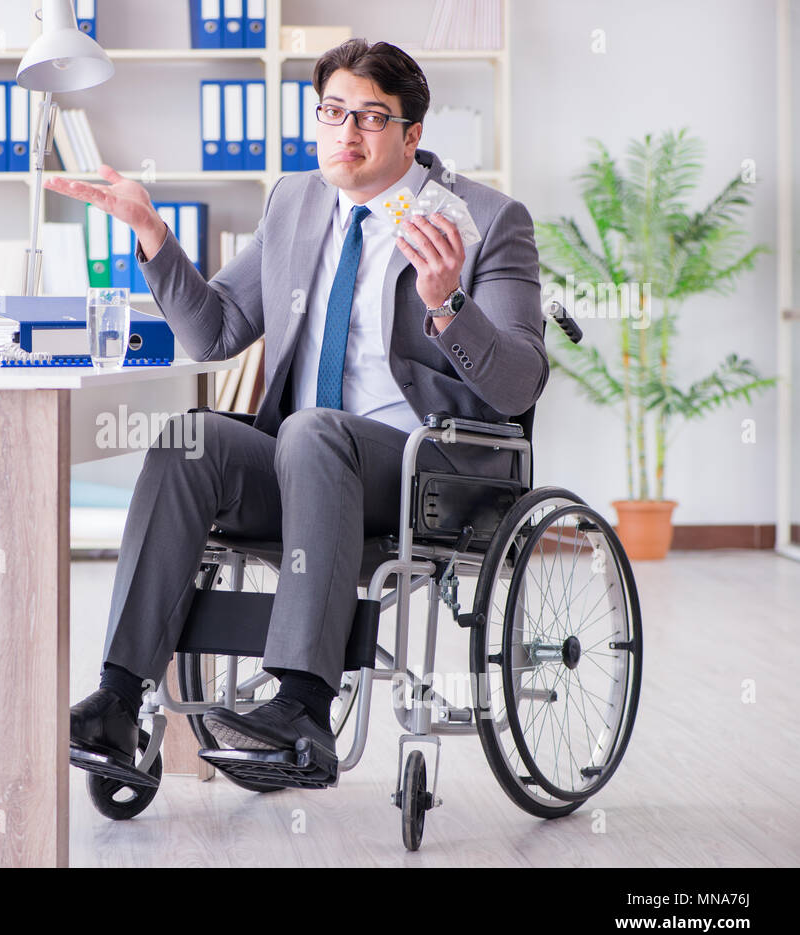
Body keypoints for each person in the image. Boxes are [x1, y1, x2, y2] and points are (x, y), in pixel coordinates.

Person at [47, 38, 547, 785]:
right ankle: (120, 700)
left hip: (422, 468)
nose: (347, 132)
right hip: (302, 461)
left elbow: (520, 383)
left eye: (372, 117)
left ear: (412, 135)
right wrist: (153, 237)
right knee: (191, 438)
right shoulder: (298, 201)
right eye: (333, 112)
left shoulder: (485, 219)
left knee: (314, 432)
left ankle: (304, 707)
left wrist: (448, 306)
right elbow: (215, 331)